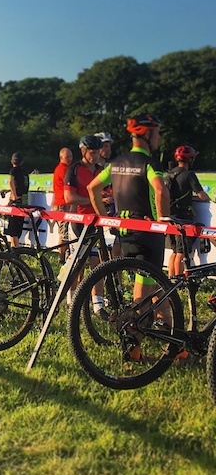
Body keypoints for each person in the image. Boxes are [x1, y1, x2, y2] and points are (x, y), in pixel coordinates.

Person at [87, 112, 169, 334]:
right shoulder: (150, 163)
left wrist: (105, 219)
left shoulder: (116, 162)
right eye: (157, 133)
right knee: (141, 299)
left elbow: (92, 188)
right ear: (147, 134)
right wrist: (163, 221)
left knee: (159, 288)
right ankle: (133, 345)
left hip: (125, 235)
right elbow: (161, 191)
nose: (159, 137)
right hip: (148, 236)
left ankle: (172, 339)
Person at [64, 135, 104, 309]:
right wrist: (93, 201)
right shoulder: (74, 170)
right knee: (77, 265)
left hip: (97, 222)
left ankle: (98, 304)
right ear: (83, 151)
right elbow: (69, 197)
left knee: (98, 264)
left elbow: (108, 192)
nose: (95, 156)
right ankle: (72, 299)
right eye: (92, 153)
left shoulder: (101, 170)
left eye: (97, 153)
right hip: (79, 222)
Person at [166, 145, 210, 278]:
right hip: (183, 218)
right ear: (190, 159)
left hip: (170, 216)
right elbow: (202, 195)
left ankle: (170, 281)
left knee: (174, 252)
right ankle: (178, 281)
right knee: (181, 253)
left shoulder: (169, 174)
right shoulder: (189, 175)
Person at [52, 148, 74, 262]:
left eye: (70, 156)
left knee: (65, 233)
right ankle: (61, 260)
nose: (70, 159)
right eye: (67, 157)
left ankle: (64, 257)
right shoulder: (64, 170)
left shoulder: (62, 169)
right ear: (61, 158)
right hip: (62, 204)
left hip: (61, 203)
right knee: (64, 234)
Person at [5, 152, 30, 247]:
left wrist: (14, 196)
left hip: (16, 201)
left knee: (13, 230)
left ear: (12, 161)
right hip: (24, 201)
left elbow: (11, 181)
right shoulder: (25, 172)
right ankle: (16, 248)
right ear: (22, 162)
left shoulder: (13, 171)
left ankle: (15, 250)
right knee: (18, 228)